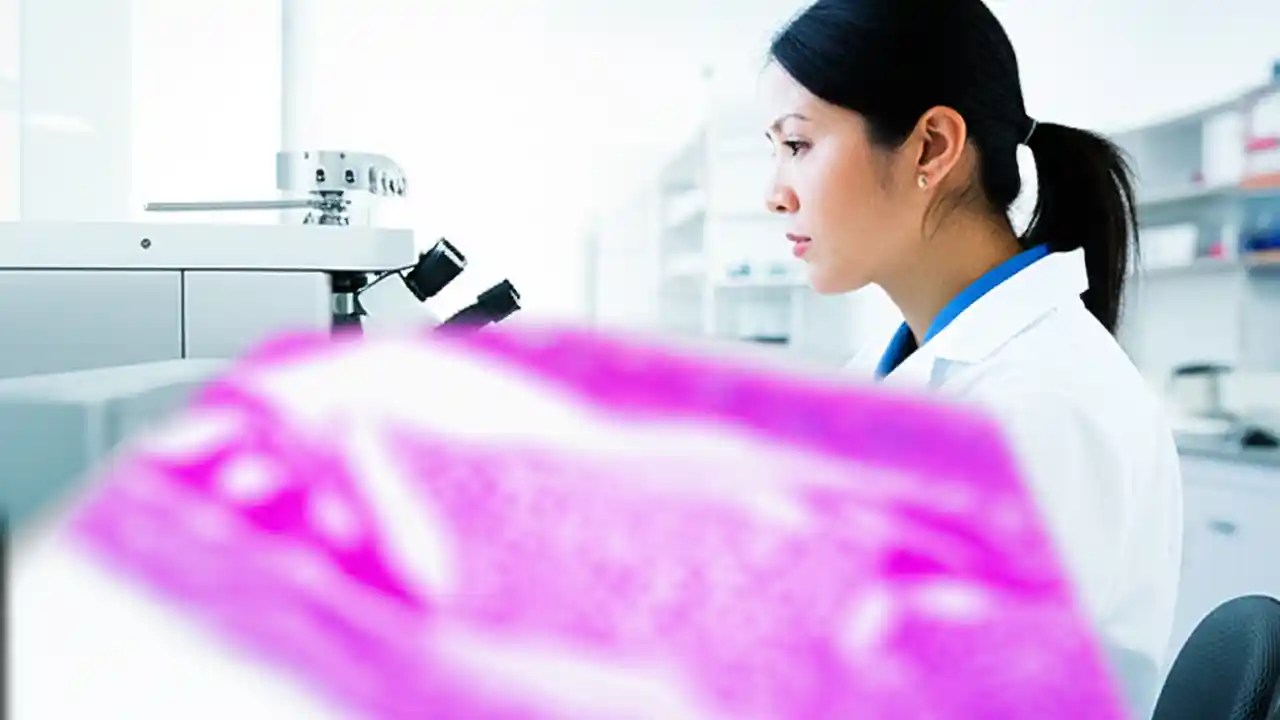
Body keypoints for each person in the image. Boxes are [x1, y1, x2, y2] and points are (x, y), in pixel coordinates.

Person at [761, 0, 1182, 713]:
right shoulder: (896, 369)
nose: (774, 194)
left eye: (798, 145)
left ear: (931, 147)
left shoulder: (1038, 407)